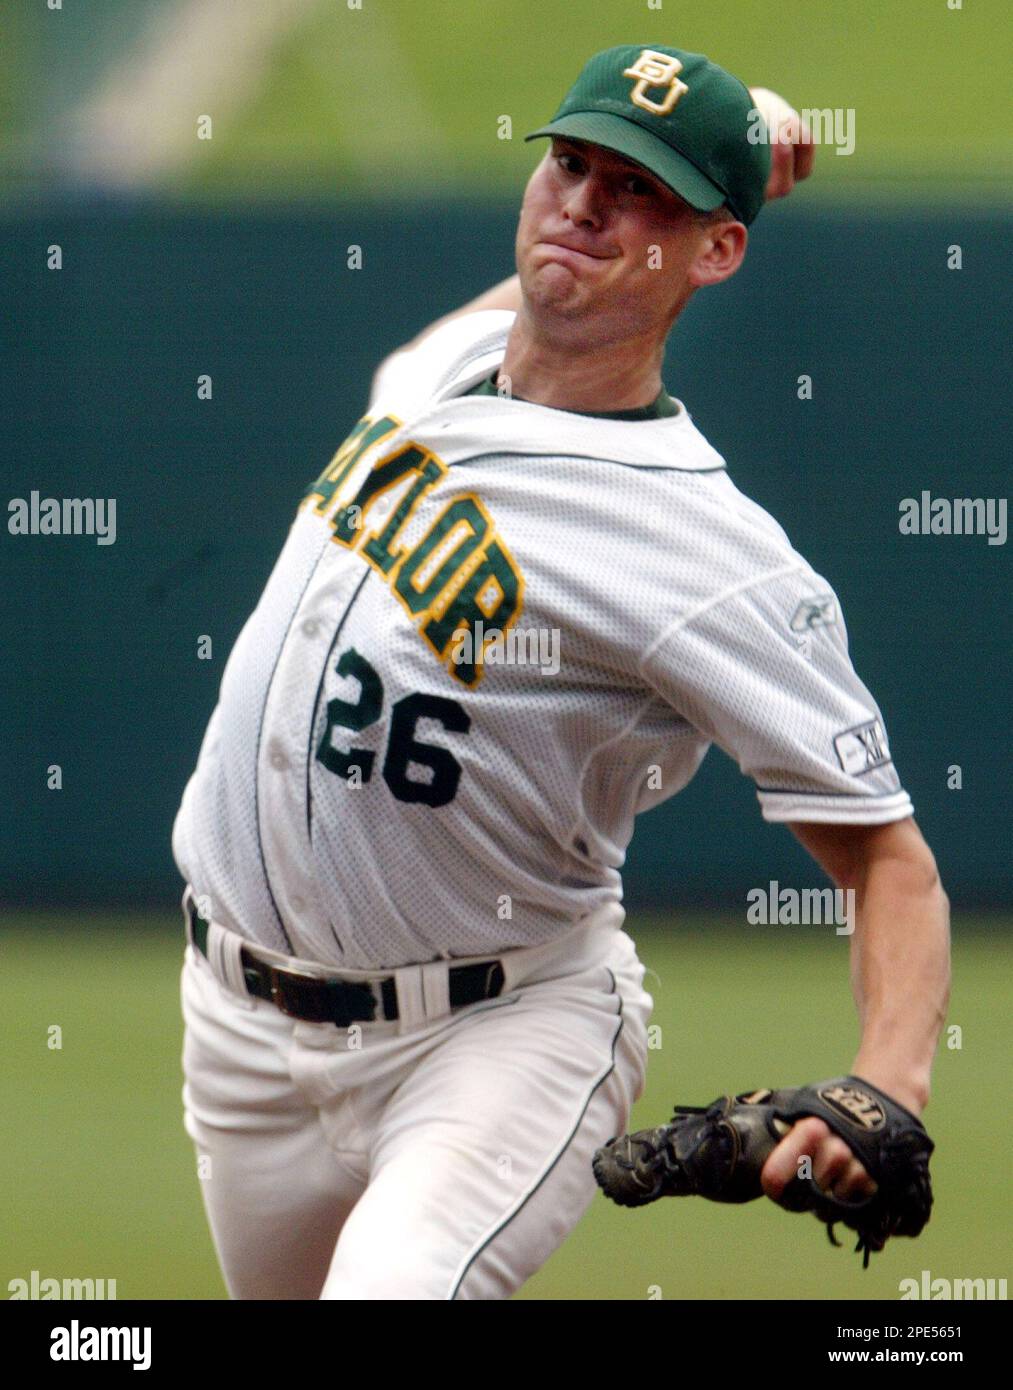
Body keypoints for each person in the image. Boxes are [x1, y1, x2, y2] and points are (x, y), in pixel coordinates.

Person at [172, 45, 950, 1300]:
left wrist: (888, 1081)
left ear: (715, 252)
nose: (582, 202)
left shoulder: (705, 554)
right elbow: (548, 291)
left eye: (636, 189)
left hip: (492, 1035)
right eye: (569, 163)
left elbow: (886, 858)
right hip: (238, 1029)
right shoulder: (435, 376)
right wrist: (731, 155)